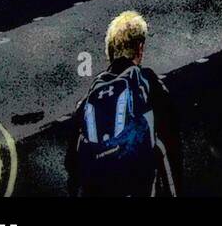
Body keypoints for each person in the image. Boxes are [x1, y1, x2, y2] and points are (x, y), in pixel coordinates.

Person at [66, 11, 182, 198]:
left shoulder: (88, 100)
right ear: (140, 48)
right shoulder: (146, 81)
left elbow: (72, 164)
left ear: (109, 53)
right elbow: (171, 144)